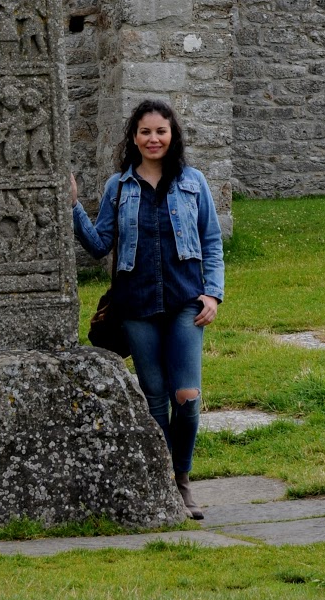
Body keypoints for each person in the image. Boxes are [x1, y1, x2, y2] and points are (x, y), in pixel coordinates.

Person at [70, 99, 224, 519]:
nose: (153, 139)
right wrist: (71, 207)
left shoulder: (193, 182)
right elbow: (100, 244)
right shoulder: (118, 187)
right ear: (133, 138)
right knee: (155, 399)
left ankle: (183, 478)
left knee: (187, 396)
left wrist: (213, 293)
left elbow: (211, 242)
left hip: (185, 303)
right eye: (145, 132)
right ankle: (165, 487)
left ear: (172, 136)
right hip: (136, 305)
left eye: (160, 131)